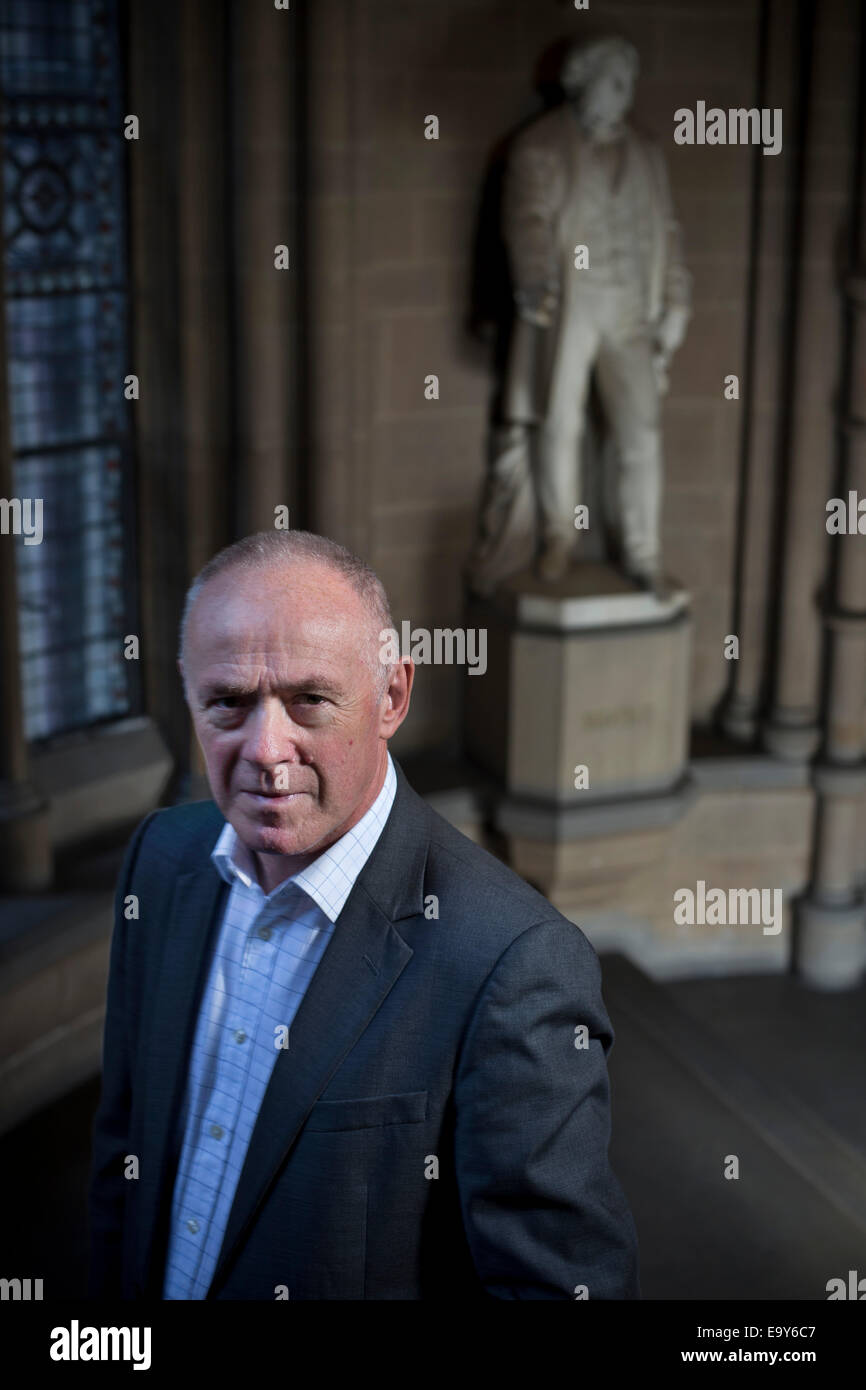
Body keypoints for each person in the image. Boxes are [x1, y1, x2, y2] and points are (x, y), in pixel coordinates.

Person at [87, 528, 640, 1300]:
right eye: (228, 703)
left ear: (392, 697)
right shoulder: (162, 860)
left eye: (308, 700)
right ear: (188, 693)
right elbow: (123, 1152)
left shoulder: (512, 964)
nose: (266, 750)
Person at [470, 35, 691, 592]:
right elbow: (525, 222)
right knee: (558, 421)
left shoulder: (646, 155)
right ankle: (559, 538)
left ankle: (644, 551)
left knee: (641, 431)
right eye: (615, 82)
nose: (624, 95)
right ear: (583, 81)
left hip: (628, 307)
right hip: (571, 301)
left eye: (628, 85)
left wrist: (676, 300)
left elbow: (666, 230)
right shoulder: (539, 146)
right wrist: (536, 279)